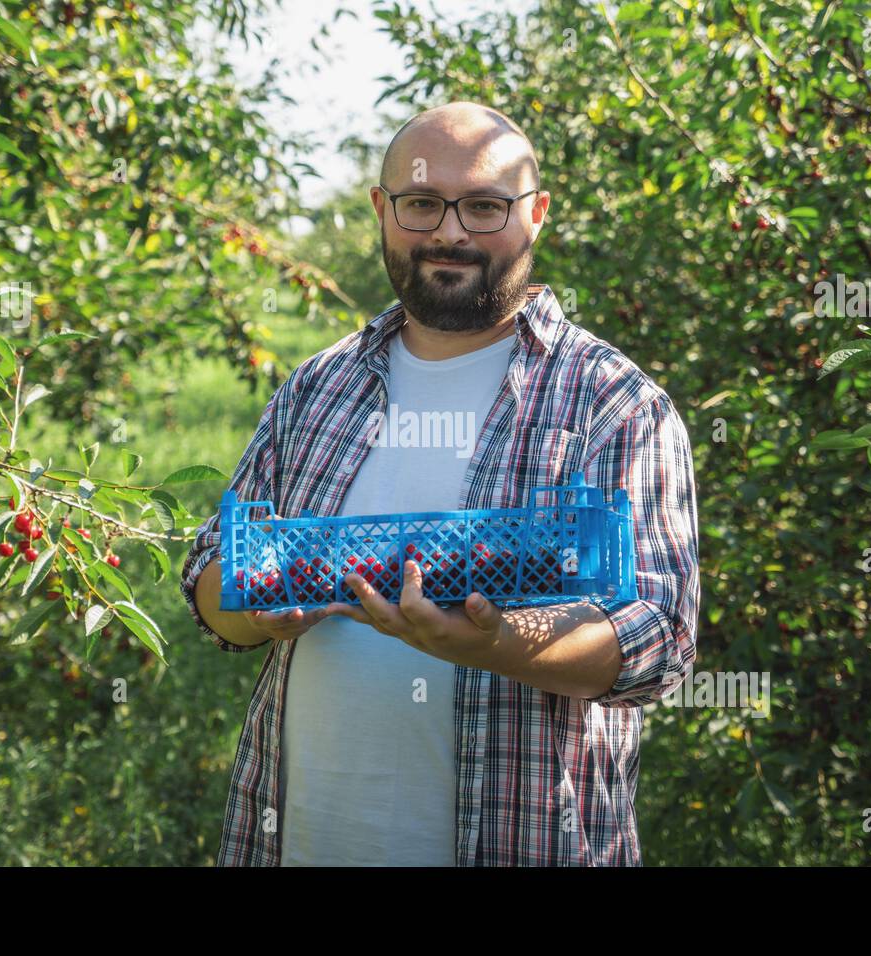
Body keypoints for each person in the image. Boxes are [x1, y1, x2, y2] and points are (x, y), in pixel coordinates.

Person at [180, 101, 700, 866]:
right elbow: (211, 586)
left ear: (536, 216)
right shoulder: (318, 387)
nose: (449, 231)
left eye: (484, 206)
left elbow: (660, 636)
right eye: (422, 203)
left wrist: (496, 644)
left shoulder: (613, 403)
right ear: (383, 210)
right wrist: (262, 609)